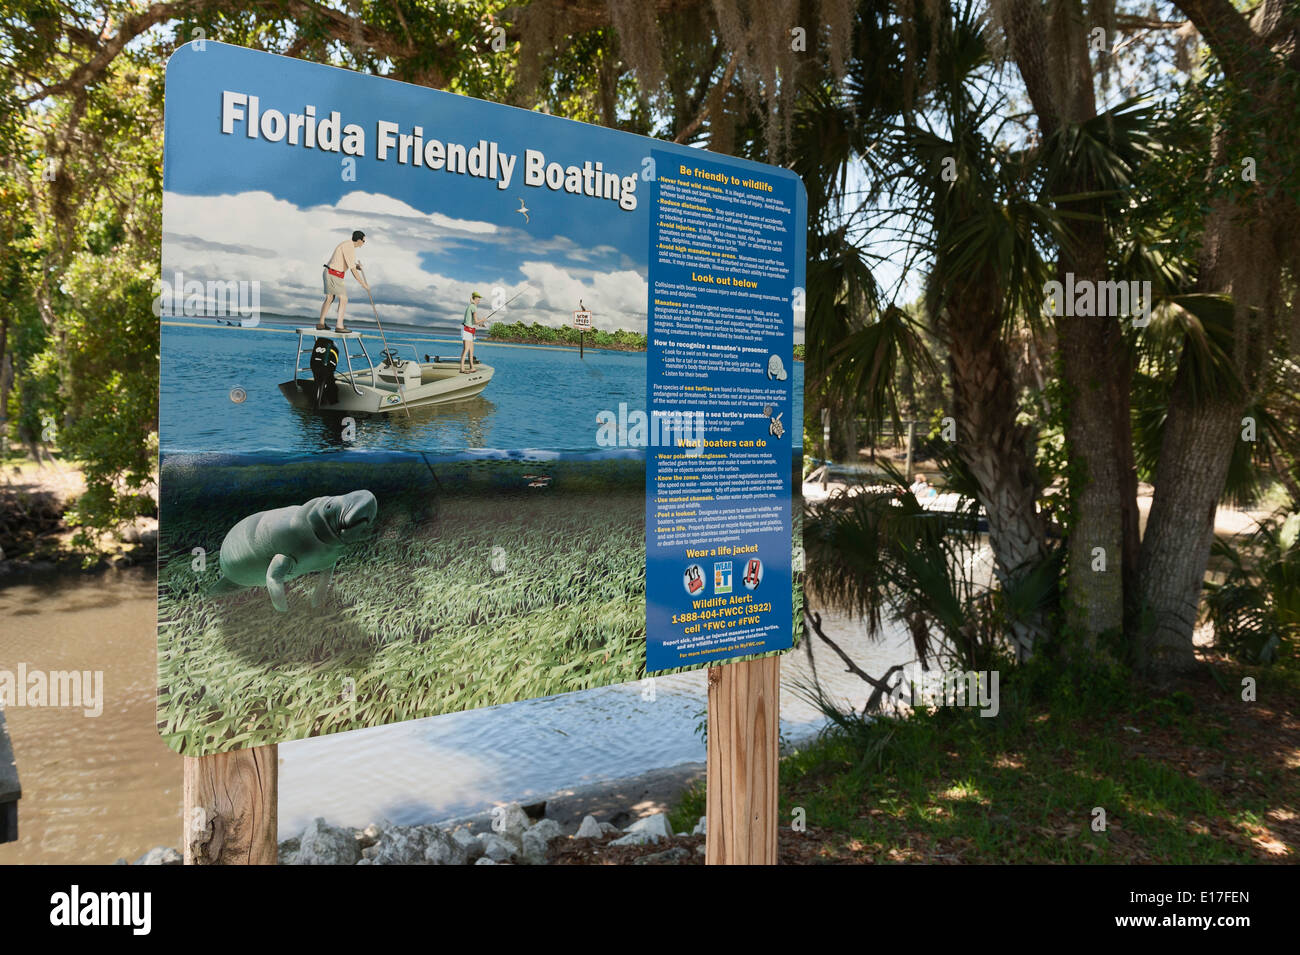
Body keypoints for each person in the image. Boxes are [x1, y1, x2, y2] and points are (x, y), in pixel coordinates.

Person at [318, 230, 369, 333]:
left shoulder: (348, 245)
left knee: (330, 298)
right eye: (364, 241)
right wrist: (363, 284)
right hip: (333, 273)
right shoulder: (349, 246)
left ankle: (321, 323)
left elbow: (348, 262)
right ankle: (339, 326)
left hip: (331, 272)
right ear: (359, 240)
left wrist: (356, 266)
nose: (364, 243)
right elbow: (352, 270)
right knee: (343, 298)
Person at [460, 291, 485, 373]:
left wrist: (481, 324)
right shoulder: (473, 307)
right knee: (466, 349)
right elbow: (476, 321)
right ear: (474, 299)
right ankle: (462, 368)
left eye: (479, 299)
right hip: (467, 330)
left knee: (471, 350)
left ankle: (472, 367)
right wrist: (483, 320)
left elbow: (473, 322)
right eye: (478, 299)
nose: (479, 301)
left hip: (469, 330)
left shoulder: (471, 306)